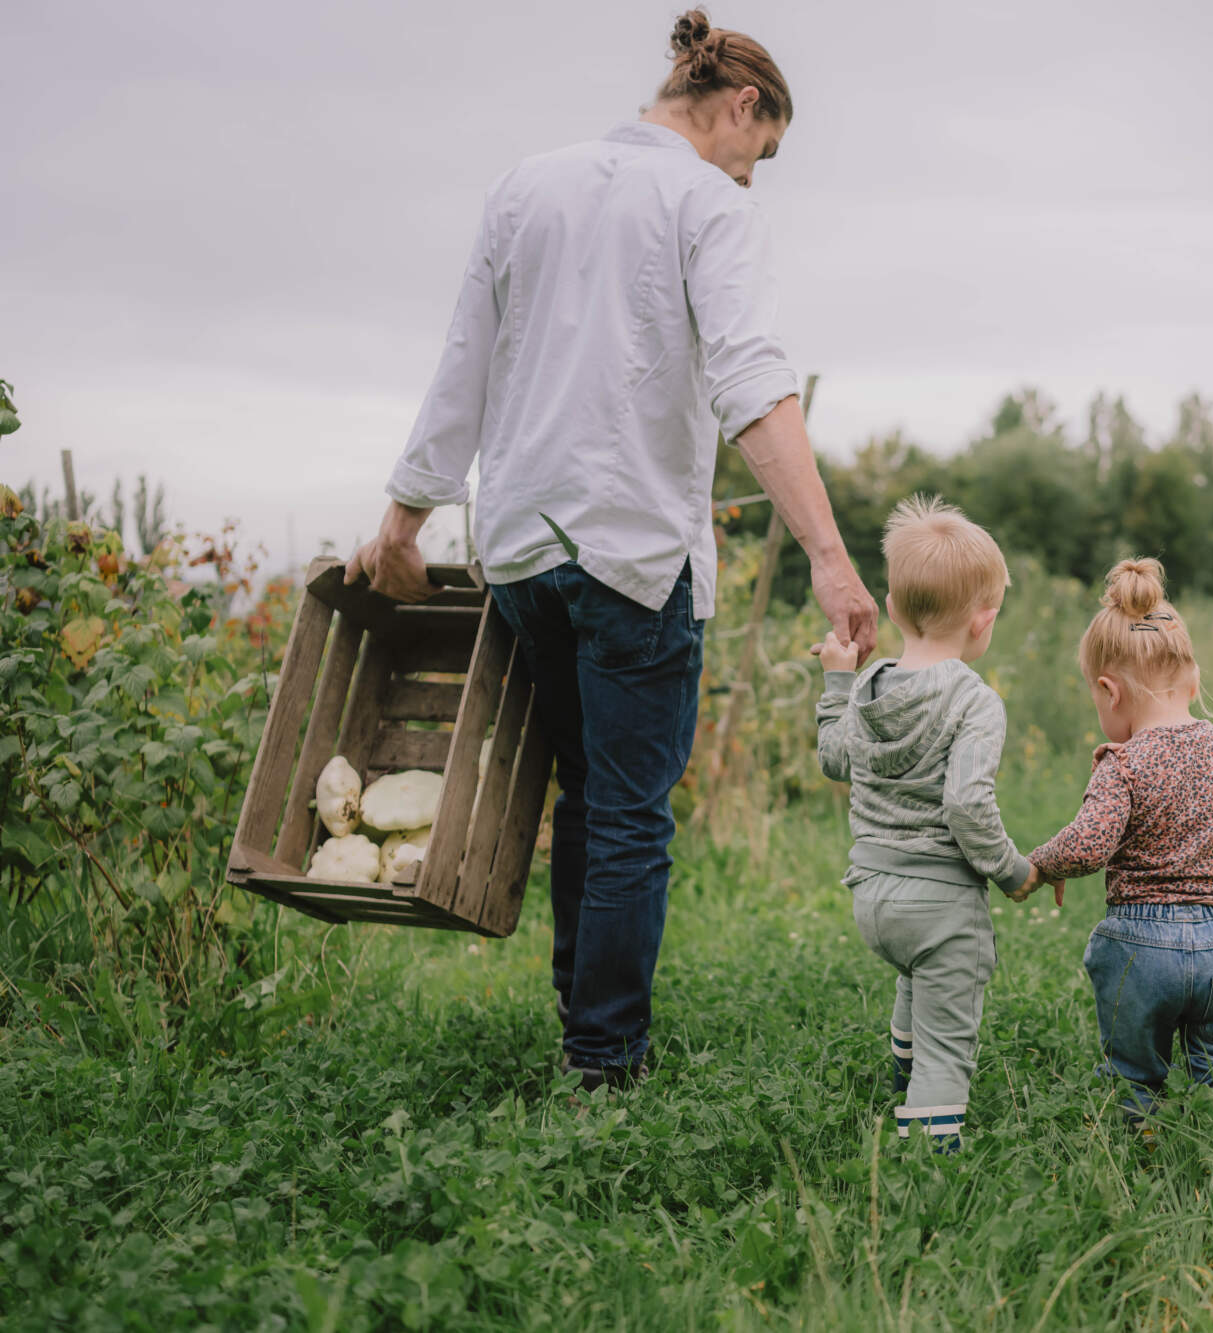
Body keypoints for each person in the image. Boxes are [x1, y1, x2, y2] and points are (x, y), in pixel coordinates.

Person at [346, 10, 877, 1091]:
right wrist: (827, 552)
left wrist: (404, 516)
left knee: (588, 795)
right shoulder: (703, 204)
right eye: (759, 153)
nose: (750, 178)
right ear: (740, 107)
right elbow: (749, 383)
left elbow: (466, 359)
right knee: (628, 809)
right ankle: (604, 1062)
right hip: (632, 552)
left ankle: (585, 1029)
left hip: (524, 554)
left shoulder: (525, 184)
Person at [812, 496, 1052, 1151]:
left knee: (916, 980)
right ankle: (927, 1170)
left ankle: (902, 1078)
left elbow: (834, 756)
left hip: (872, 894)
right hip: (940, 903)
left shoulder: (869, 687)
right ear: (985, 620)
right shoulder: (975, 700)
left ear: (891, 609)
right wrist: (1013, 871)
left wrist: (836, 682)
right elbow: (967, 807)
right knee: (950, 1039)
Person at [1024, 558, 1213, 1147]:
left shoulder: (1124, 763)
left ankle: (1138, 1165)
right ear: (1192, 679)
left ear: (1108, 690)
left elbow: (1089, 844)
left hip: (1142, 949)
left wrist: (1044, 863)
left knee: (1133, 1074)